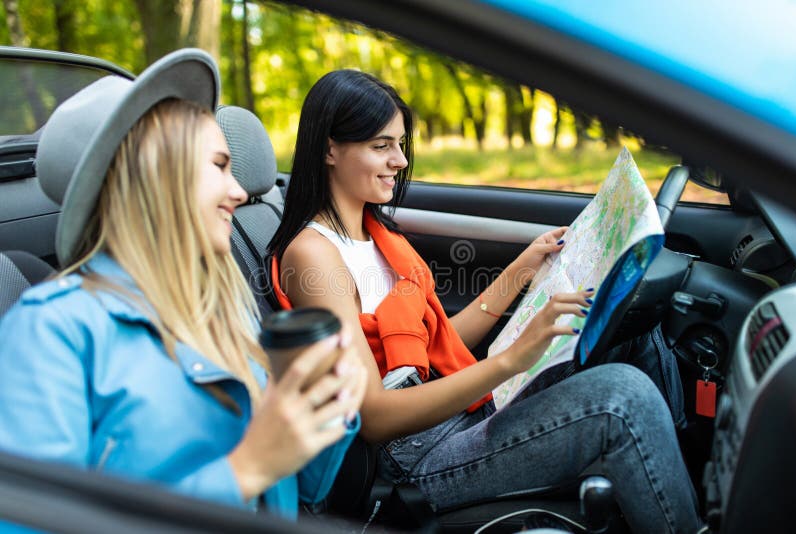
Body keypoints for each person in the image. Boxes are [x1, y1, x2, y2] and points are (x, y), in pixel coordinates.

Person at [267, 69, 701, 533]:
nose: (399, 159)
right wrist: (512, 360)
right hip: (414, 453)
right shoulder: (314, 256)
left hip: (451, 410)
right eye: (381, 145)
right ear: (330, 148)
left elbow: (439, 343)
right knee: (622, 397)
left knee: (633, 325)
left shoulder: (374, 235)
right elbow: (373, 415)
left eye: (399, 144)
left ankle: (672, 480)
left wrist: (524, 268)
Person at [0, 50, 366, 521]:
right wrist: (247, 468)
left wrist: (325, 409)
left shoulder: (222, 305)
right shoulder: (54, 332)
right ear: (153, 175)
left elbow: (297, 491)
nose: (238, 191)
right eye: (218, 166)